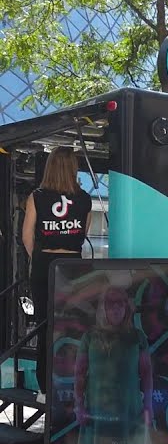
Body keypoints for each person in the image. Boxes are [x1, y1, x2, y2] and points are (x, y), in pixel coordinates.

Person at [23, 147, 91, 400]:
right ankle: (75, 384)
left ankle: (44, 387)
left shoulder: (36, 196)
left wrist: (40, 260)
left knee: (45, 326)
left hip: (45, 264)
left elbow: (27, 236)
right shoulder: (84, 199)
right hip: (73, 265)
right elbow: (83, 234)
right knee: (74, 327)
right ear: (73, 168)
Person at [73, 287, 155, 444]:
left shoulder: (137, 337)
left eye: (121, 303)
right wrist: (79, 407)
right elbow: (79, 374)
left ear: (126, 307)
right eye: (111, 303)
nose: (116, 308)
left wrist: (148, 406)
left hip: (130, 411)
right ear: (103, 307)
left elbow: (146, 374)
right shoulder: (89, 337)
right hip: (98, 413)